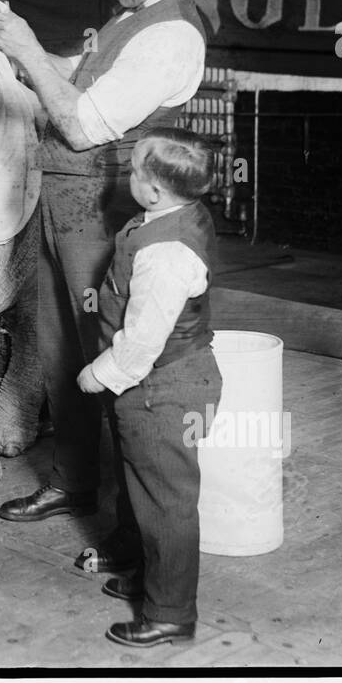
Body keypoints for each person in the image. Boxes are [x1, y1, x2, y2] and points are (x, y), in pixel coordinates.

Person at [0, 0, 207, 576]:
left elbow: (80, 125)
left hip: (104, 212)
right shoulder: (132, 18)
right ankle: (72, 481)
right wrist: (4, 36)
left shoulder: (172, 36)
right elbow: (72, 78)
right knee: (56, 350)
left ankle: (125, 529)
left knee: (110, 366)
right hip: (59, 202)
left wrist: (21, 48)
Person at [77, 129, 222, 646]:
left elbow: (140, 344)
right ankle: (148, 575)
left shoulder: (165, 255)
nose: (126, 173)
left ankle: (170, 613)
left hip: (164, 387)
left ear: (155, 190)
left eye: (134, 168)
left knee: (167, 504)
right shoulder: (178, 216)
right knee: (144, 487)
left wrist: (98, 374)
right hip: (167, 381)